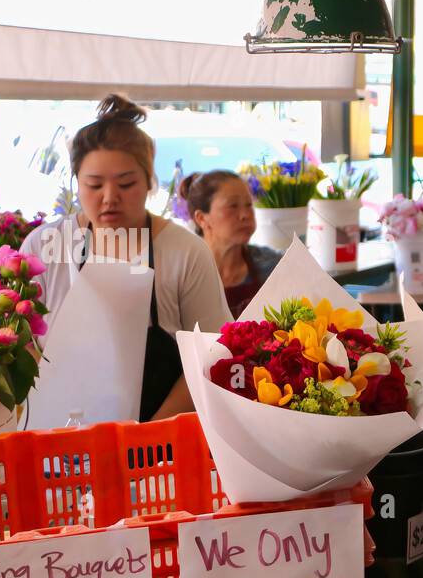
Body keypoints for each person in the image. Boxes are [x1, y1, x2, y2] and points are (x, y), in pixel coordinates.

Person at [22, 94, 232, 421]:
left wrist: (147, 438)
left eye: (126, 183)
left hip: (160, 442)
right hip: (58, 439)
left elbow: (213, 352)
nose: (109, 198)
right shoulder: (43, 247)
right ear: (76, 184)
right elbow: (17, 340)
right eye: (94, 185)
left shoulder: (184, 252)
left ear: (149, 181)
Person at [179, 170, 281, 318]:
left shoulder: (273, 266)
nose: (245, 215)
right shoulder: (182, 275)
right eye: (233, 206)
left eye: (248, 205)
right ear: (201, 218)